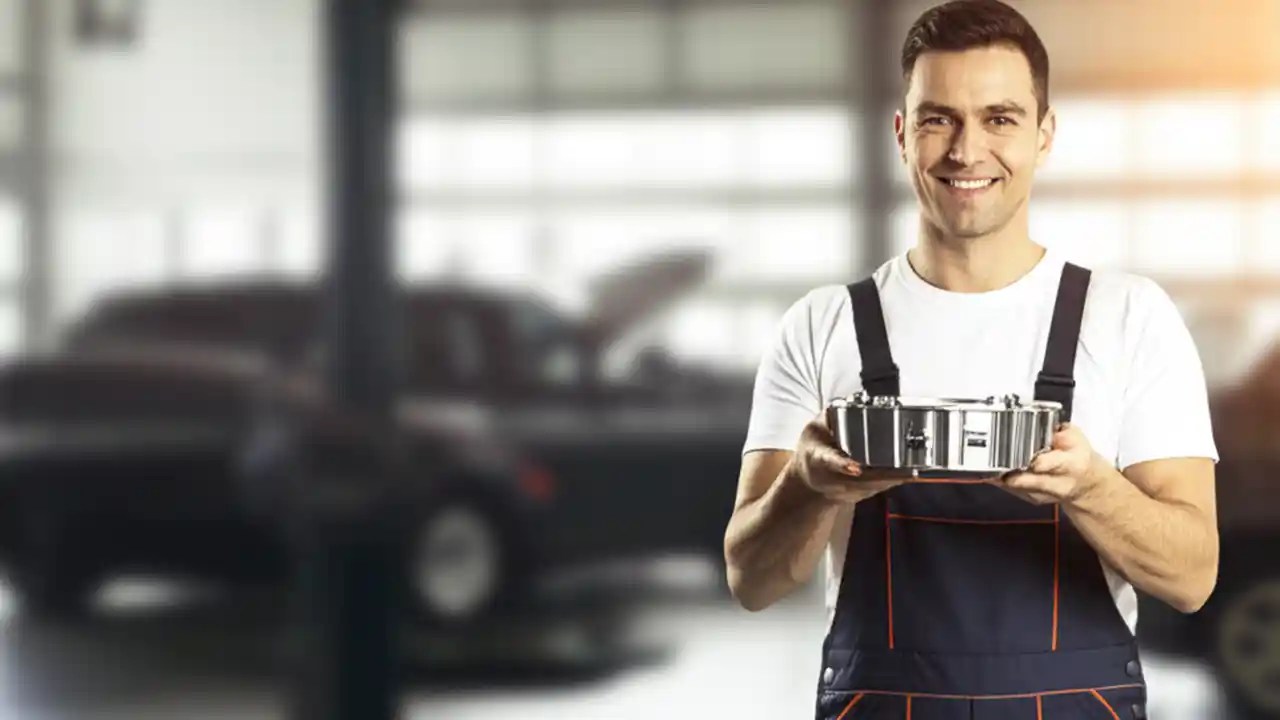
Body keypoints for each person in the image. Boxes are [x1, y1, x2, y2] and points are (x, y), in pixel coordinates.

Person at [722, 1, 1219, 718]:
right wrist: (807, 484)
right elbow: (752, 580)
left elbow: (1193, 578)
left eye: (1000, 118)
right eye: (939, 119)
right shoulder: (821, 326)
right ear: (902, 133)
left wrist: (1090, 489)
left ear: (1044, 135)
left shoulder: (1129, 318)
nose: (966, 150)